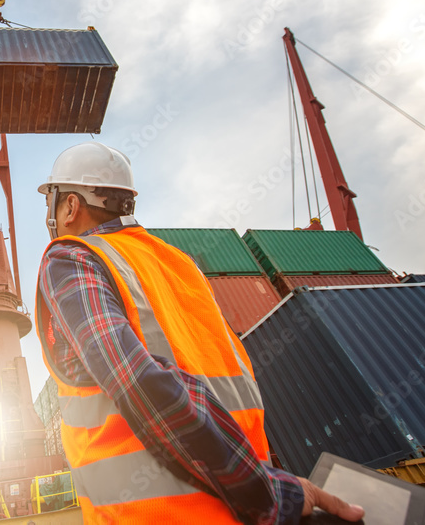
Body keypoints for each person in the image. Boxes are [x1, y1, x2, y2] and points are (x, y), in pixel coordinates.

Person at [34, 142, 365, 525]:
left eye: (51, 202)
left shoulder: (72, 258)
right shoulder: (181, 264)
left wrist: (267, 494)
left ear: (70, 206)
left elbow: (138, 381)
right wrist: (265, 488)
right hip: (245, 511)